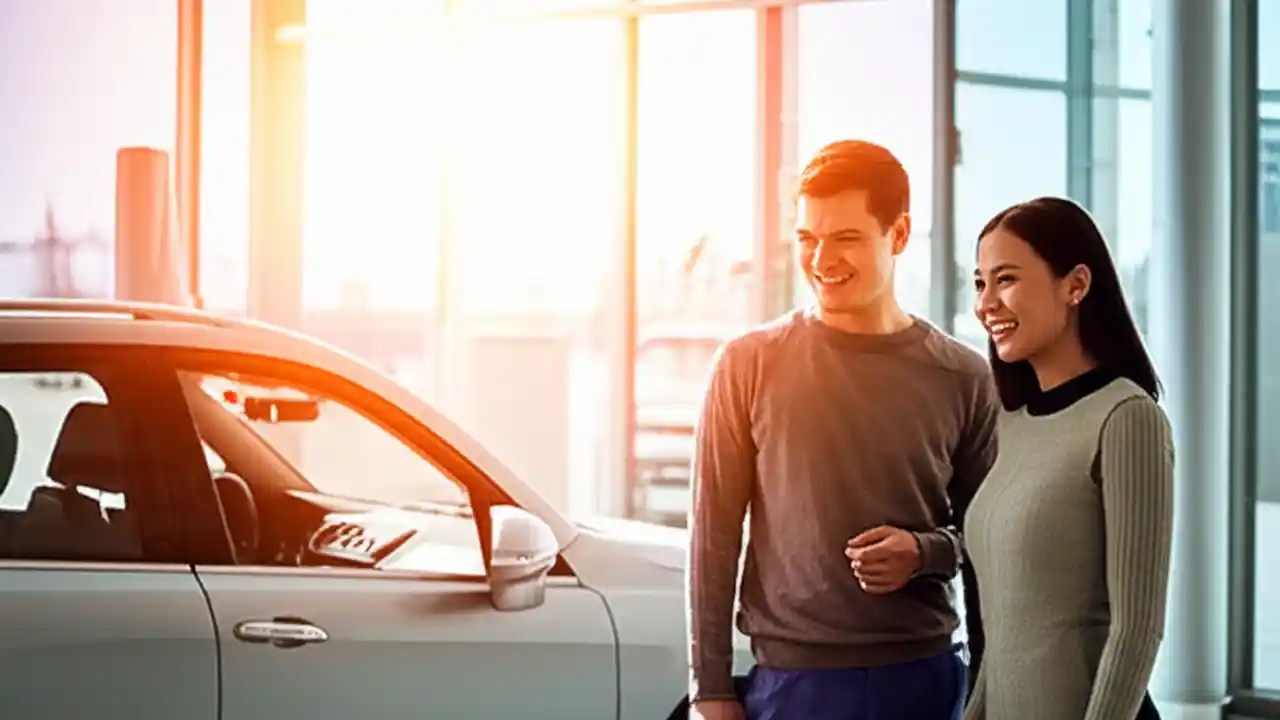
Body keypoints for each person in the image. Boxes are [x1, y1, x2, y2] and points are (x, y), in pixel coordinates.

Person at [686, 139, 999, 720]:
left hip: (926, 681)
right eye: (808, 238)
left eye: (846, 238)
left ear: (898, 234)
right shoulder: (747, 365)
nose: (822, 260)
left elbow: (990, 542)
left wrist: (925, 552)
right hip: (792, 684)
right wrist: (710, 690)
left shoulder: (964, 376)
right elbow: (713, 538)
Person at [963, 197, 1174, 720]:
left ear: (1076, 285)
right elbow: (1005, 632)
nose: (986, 303)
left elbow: (1137, 630)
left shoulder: (1126, 417)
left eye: (1006, 279)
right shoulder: (1013, 423)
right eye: (979, 283)